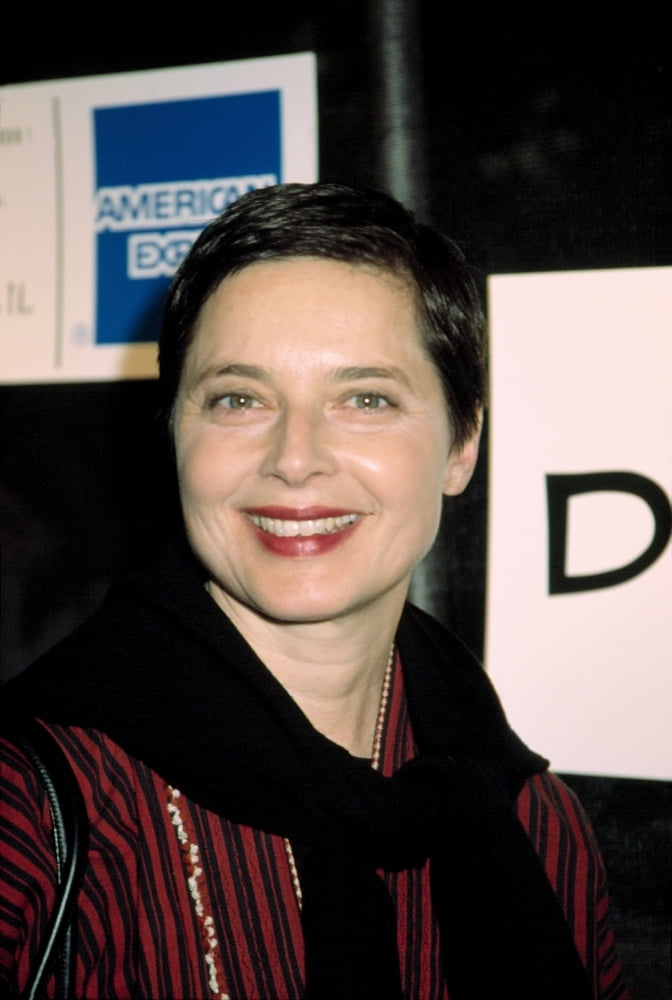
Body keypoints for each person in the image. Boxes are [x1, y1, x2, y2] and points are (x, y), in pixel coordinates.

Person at [0, 182, 627, 1000]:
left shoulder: (537, 825)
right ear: (175, 435)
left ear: (461, 444)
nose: (295, 457)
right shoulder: (31, 804)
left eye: (366, 399)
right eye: (238, 399)